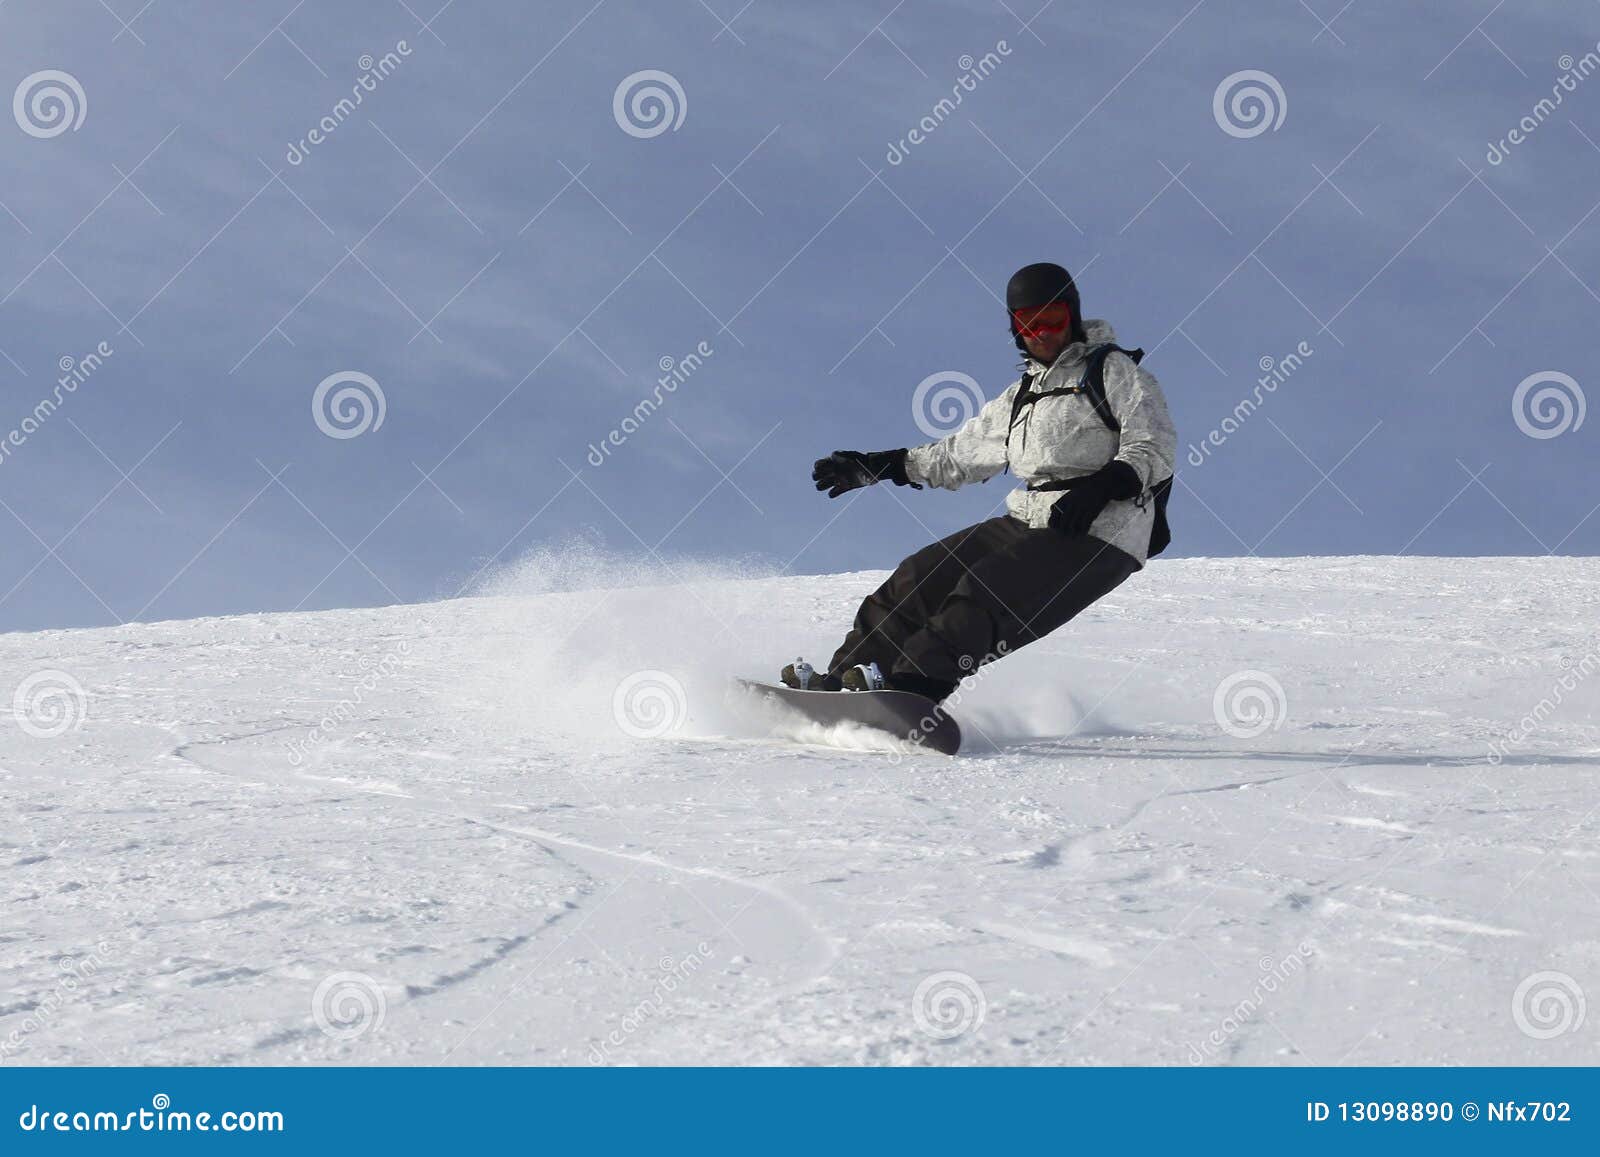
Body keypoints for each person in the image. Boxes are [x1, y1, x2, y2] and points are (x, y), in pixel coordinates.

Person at [781, 261, 1177, 702]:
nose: (1041, 332)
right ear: (1015, 328)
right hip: (1032, 519)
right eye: (1028, 323)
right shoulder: (1022, 394)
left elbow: (1154, 445)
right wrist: (884, 465)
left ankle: (914, 688)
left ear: (1073, 315)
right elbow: (960, 454)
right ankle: (848, 679)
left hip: (1103, 529)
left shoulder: (1113, 371)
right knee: (919, 576)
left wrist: (1102, 487)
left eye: (1053, 319)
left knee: (989, 585)